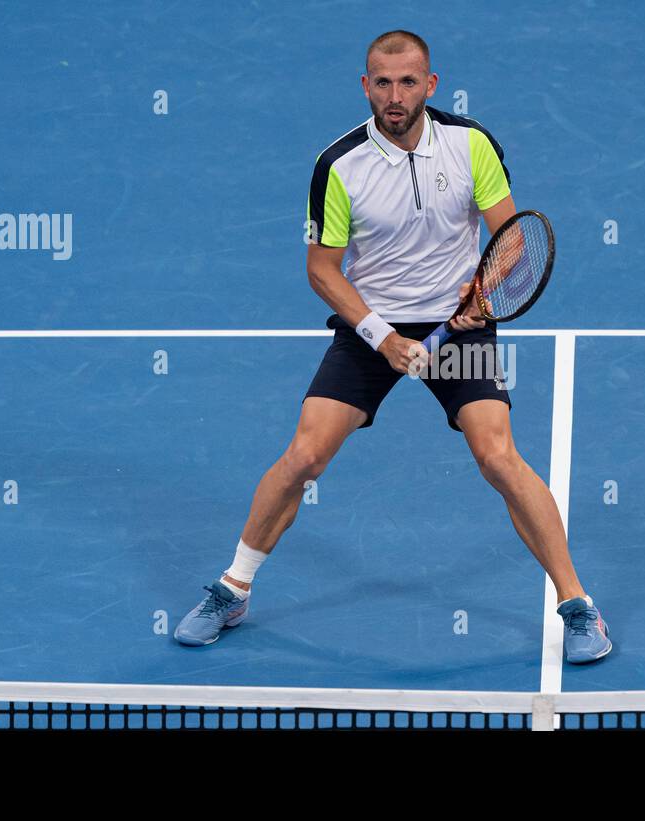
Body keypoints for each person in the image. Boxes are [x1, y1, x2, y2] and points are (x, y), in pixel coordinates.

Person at [175, 30, 611, 663]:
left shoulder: (471, 144)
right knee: (303, 456)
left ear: (430, 85)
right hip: (372, 326)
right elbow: (323, 270)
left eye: (409, 82)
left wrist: (482, 295)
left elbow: (511, 238)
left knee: (497, 456)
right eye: (383, 82)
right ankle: (233, 588)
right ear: (365, 86)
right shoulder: (338, 165)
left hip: (458, 326)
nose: (395, 95)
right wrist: (382, 338)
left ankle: (576, 604)